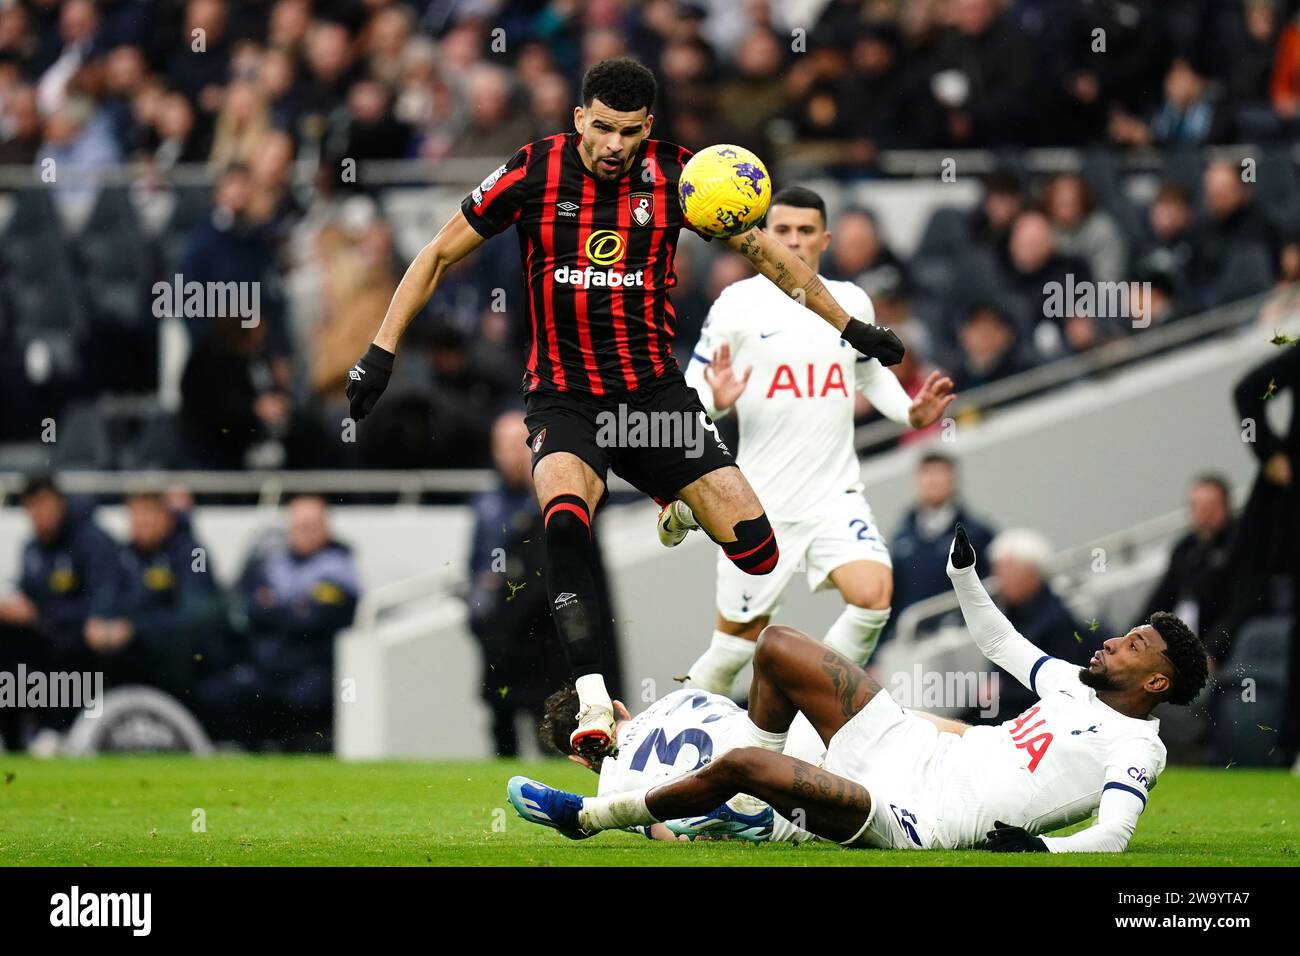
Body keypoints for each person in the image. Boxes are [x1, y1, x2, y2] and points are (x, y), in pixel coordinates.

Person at [343, 57, 905, 759]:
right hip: (564, 395)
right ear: (580, 118)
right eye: (602, 128)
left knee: (760, 555)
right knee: (567, 519)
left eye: (629, 132)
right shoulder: (531, 171)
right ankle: (592, 701)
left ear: (648, 128)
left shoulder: (681, 179)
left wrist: (853, 329)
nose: (614, 145)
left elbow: (767, 254)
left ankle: (677, 503)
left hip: (650, 398)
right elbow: (435, 255)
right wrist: (381, 350)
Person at [509, 526, 1210, 853]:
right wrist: (964, 574)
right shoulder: (1074, 685)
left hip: (919, 817)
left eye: (1136, 646)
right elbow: (1000, 643)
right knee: (778, 646)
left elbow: (1114, 836)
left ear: (1155, 682)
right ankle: (758, 791)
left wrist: (1042, 852)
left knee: (749, 766)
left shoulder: (1137, 747)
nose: (1115, 640)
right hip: (907, 748)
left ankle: (592, 819)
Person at [665, 187, 955, 695]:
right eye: (782, 231)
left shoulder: (851, 300)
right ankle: (670, 735)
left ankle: (808, 708)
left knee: (873, 597)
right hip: (759, 501)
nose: (794, 241)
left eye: (804, 231)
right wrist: (716, 399)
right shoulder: (736, 303)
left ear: (825, 238)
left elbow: (869, 374)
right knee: (734, 645)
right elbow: (689, 395)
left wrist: (908, 413)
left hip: (833, 496)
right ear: (763, 238)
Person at [466, 410, 619, 756]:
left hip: (549, 638)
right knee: (501, 723)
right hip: (501, 638)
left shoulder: (561, 494)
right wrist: (480, 611)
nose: (514, 454)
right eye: (505, 446)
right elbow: (475, 567)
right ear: (494, 452)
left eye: (520, 445)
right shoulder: (486, 507)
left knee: (552, 725)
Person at [195, 495, 358, 749]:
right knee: (218, 692)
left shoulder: (339, 569)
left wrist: (274, 608)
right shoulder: (272, 564)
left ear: (326, 529)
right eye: (298, 526)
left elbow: (318, 620)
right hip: (267, 665)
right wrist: (290, 609)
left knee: (304, 697)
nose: (303, 533)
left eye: (311, 526)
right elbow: (244, 607)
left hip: (316, 667)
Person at [0, 474, 122, 741]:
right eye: (32, 507)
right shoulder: (32, 548)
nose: (39, 514)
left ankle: (56, 731)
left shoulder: (92, 541)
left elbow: (102, 605)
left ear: (60, 503)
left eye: (44, 505)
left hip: (79, 643)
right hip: (41, 637)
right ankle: (14, 738)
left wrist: (39, 614)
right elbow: (27, 595)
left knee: (69, 648)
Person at [983, 528, 1094, 721]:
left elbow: (1061, 683)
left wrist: (1001, 691)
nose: (997, 580)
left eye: (1004, 572)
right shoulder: (1011, 613)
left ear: (1030, 573)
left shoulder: (1057, 620)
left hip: (1034, 717)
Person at [885, 452, 995, 646]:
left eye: (939, 474)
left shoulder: (976, 533)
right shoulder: (901, 536)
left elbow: (991, 588)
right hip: (912, 643)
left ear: (953, 479)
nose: (933, 481)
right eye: (927, 474)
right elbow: (892, 596)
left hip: (964, 639)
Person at [1141, 475, 1235, 662]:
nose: (1204, 514)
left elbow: (1242, 606)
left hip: (1224, 646)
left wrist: (1213, 652)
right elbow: (1161, 600)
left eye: (1211, 506)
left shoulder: (1240, 543)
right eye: (1197, 507)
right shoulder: (1185, 549)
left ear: (1226, 506)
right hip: (1192, 642)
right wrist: (1128, 637)